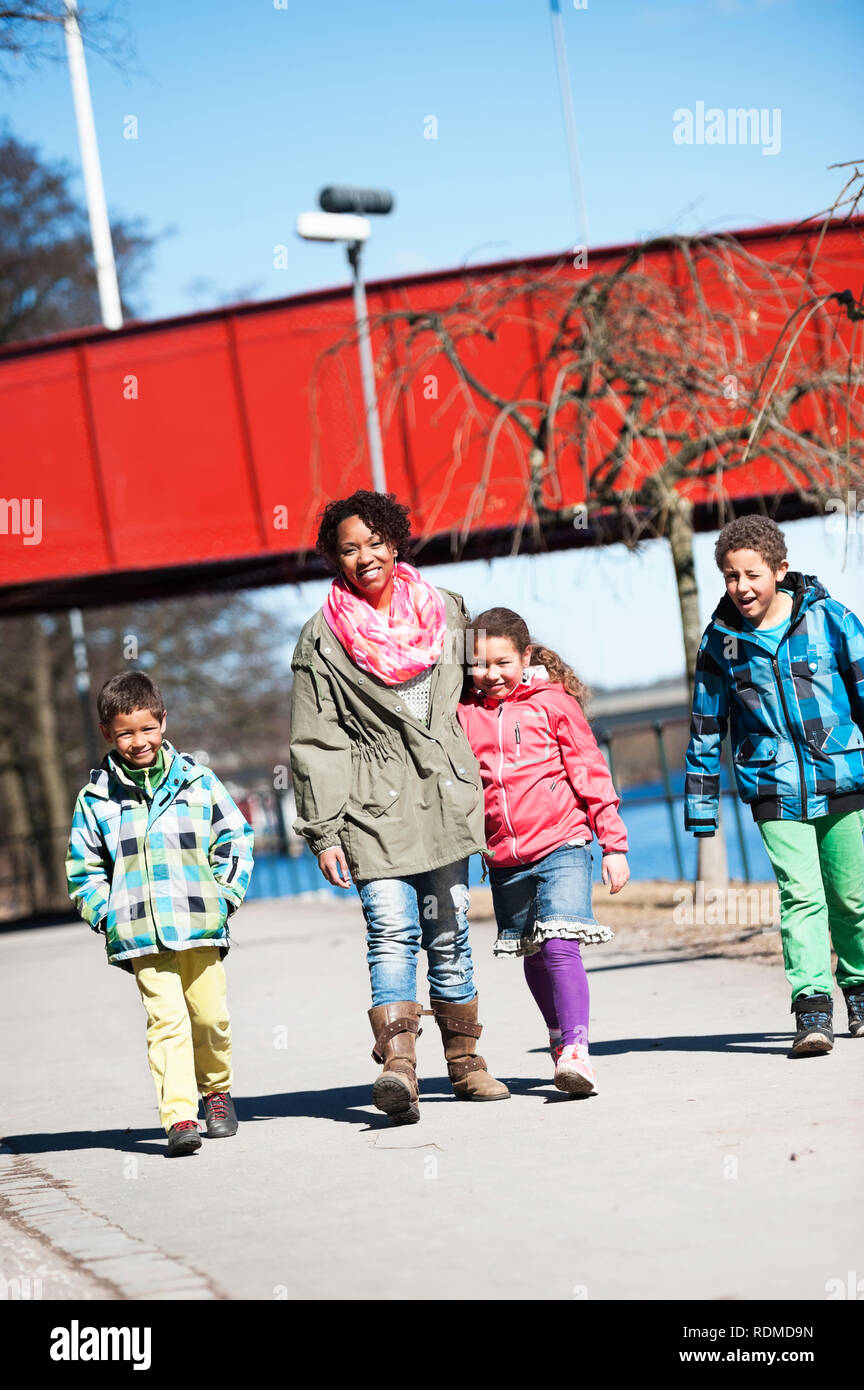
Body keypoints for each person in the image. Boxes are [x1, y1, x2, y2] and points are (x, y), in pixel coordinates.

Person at [289, 490, 509, 1125]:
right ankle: (400, 1070)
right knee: (390, 931)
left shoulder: (446, 610)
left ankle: (466, 1064)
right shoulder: (321, 640)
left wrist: (541, 684)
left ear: (395, 540)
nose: (365, 557)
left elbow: (488, 680)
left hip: (443, 798)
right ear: (336, 560)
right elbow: (317, 742)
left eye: (374, 542)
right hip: (372, 810)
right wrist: (324, 832)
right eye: (348, 549)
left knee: (450, 931)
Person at [684, 514, 864, 1056]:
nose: (741, 588)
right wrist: (701, 808)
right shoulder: (720, 644)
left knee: (851, 898)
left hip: (842, 776)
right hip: (771, 785)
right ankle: (812, 1008)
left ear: (780, 571)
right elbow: (705, 726)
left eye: (752, 575)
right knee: (800, 895)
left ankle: (858, 985)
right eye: (730, 577)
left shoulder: (831, 620)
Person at [66, 671, 254, 1156]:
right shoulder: (96, 798)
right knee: (166, 1022)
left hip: (200, 924)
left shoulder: (197, 781)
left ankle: (216, 1092)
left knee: (209, 1017)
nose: (138, 741)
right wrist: (107, 916)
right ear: (108, 734)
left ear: (163, 722)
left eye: (147, 728)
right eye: (126, 732)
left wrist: (225, 895)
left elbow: (234, 838)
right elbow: (83, 867)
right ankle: (179, 1117)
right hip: (139, 934)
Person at [458, 607, 629, 1097]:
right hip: (504, 855)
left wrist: (613, 844)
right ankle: (557, 1037)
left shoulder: (551, 703)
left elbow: (590, 771)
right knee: (533, 951)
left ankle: (577, 1049)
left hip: (562, 841)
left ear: (525, 656)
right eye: (479, 664)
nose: (490, 674)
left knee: (559, 943)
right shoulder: (463, 712)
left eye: (502, 663)